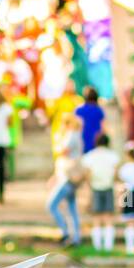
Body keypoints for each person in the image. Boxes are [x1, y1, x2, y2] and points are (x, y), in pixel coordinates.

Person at [47, 111, 84, 246]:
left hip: (68, 177)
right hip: (70, 176)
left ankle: (66, 232)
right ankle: (76, 237)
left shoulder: (71, 135)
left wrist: (56, 143)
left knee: (51, 205)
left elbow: (62, 151)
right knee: (72, 207)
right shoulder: (76, 135)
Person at [81, 131, 121, 251]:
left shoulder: (90, 156)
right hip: (108, 187)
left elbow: (88, 174)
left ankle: (97, 246)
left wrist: (88, 190)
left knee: (96, 218)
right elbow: (115, 174)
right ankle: (108, 247)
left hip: (95, 188)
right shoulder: (113, 156)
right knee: (108, 217)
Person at [75, 86, 105, 153]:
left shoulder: (79, 110)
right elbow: (103, 127)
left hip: (83, 140)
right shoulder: (99, 110)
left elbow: (76, 126)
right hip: (96, 140)